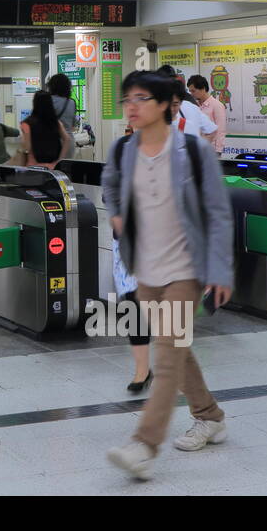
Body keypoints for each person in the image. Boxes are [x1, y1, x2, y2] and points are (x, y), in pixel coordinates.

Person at [102, 70, 234, 481]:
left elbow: (217, 212)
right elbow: (111, 185)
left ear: (164, 105)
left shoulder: (192, 152)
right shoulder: (124, 149)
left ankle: (144, 444)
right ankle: (209, 415)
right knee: (177, 347)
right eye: (127, 100)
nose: (131, 106)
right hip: (147, 269)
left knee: (166, 351)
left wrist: (220, 271)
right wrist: (119, 216)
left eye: (140, 98)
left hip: (184, 269)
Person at [20, 91, 71, 168]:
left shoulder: (27, 124)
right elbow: (67, 139)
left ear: (34, 103)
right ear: (50, 104)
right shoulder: (56, 123)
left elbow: (26, 148)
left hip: (33, 169)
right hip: (52, 169)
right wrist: (60, 160)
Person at [188, 75, 227, 155]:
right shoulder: (194, 106)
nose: (191, 94)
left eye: (193, 91)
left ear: (203, 89)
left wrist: (218, 151)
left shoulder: (217, 105)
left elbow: (220, 130)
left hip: (211, 150)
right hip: (197, 149)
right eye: (190, 91)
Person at [47, 74, 79, 159]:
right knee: (66, 170)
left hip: (51, 143)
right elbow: (73, 127)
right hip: (69, 144)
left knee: (49, 171)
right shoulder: (72, 102)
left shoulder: (47, 100)